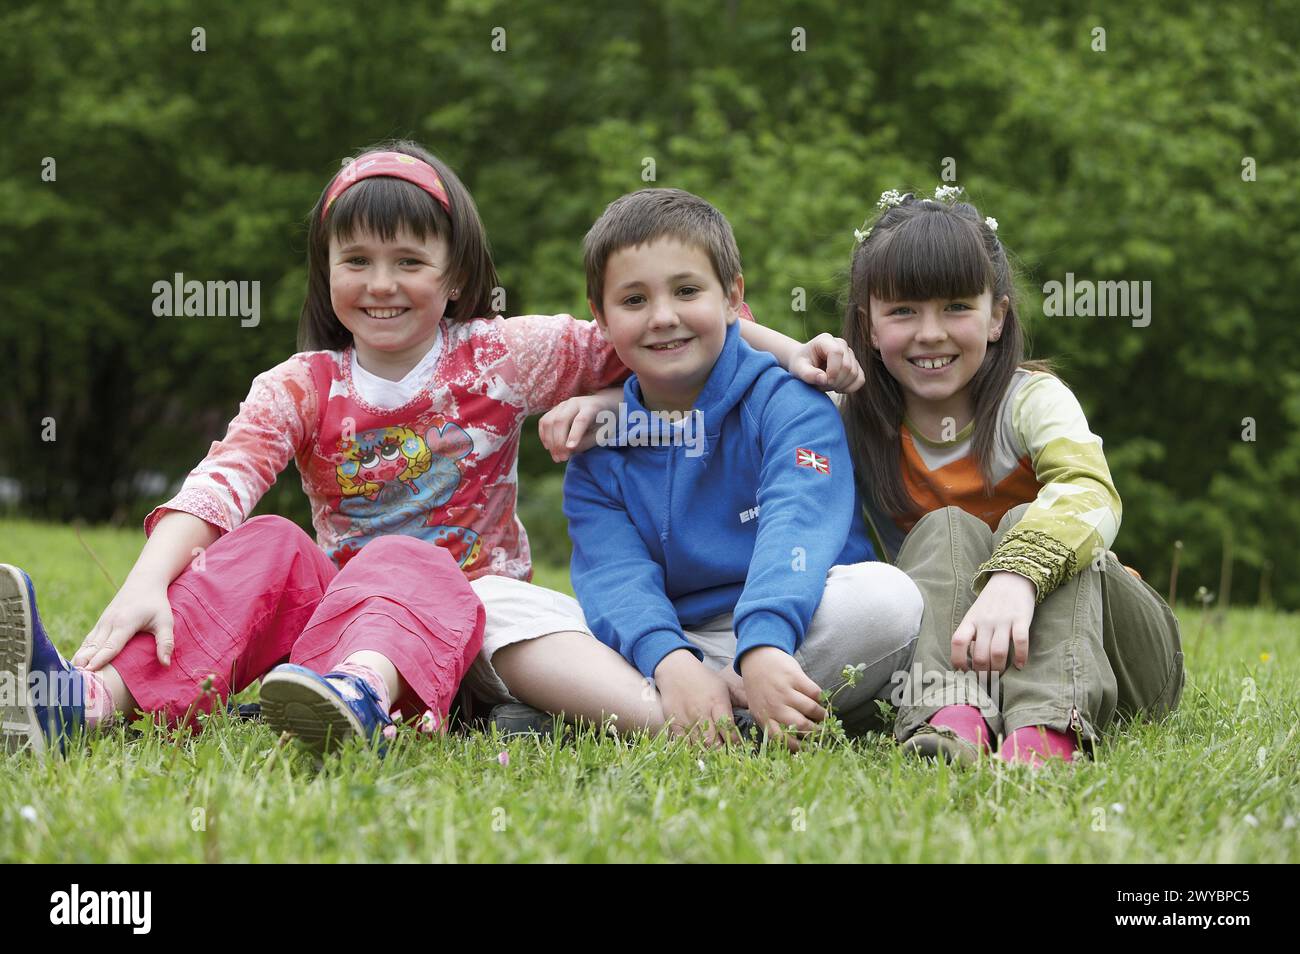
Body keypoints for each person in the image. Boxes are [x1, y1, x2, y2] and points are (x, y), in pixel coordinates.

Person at [1, 142, 862, 759]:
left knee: (412, 557)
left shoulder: (499, 354)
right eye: (357, 260)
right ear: (326, 270)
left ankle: (365, 701)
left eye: (410, 260)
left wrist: (792, 354)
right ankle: (86, 704)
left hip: (467, 623)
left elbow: (668, 333)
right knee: (266, 543)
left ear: (455, 276)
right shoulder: (302, 384)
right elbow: (227, 478)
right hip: (341, 619)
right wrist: (152, 578)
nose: (382, 284)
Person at [552, 188, 923, 749]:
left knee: (888, 599)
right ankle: (699, 702)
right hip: (674, 646)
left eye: (686, 291)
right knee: (500, 606)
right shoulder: (599, 445)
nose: (663, 317)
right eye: (633, 300)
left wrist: (765, 643)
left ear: (732, 298)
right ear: (600, 319)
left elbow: (797, 523)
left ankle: (657, 714)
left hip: (798, 625)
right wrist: (671, 659)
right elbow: (613, 574)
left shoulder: (790, 403)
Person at [838, 186, 1184, 765]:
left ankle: (1048, 731)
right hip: (964, 658)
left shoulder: (1032, 401)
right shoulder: (853, 420)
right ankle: (952, 720)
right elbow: (733, 366)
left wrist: (1018, 576)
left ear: (996, 315)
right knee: (945, 525)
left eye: (956, 307)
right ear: (868, 326)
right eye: (902, 310)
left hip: (1116, 654)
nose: (930, 333)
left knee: (1035, 518)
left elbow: (1090, 491)